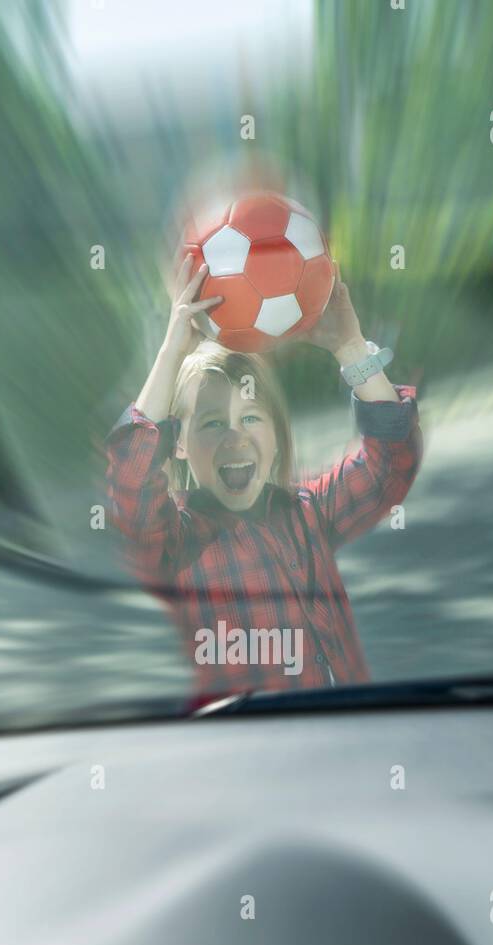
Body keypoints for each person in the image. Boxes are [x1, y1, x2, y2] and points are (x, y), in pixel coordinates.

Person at [94, 253, 423, 697]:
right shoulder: (178, 541)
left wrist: (351, 349)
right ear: (179, 444)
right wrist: (174, 349)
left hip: (346, 738)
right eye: (212, 423)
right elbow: (131, 484)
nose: (235, 438)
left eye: (251, 418)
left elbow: (391, 461)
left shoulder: (309, 512)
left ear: (276, 433)